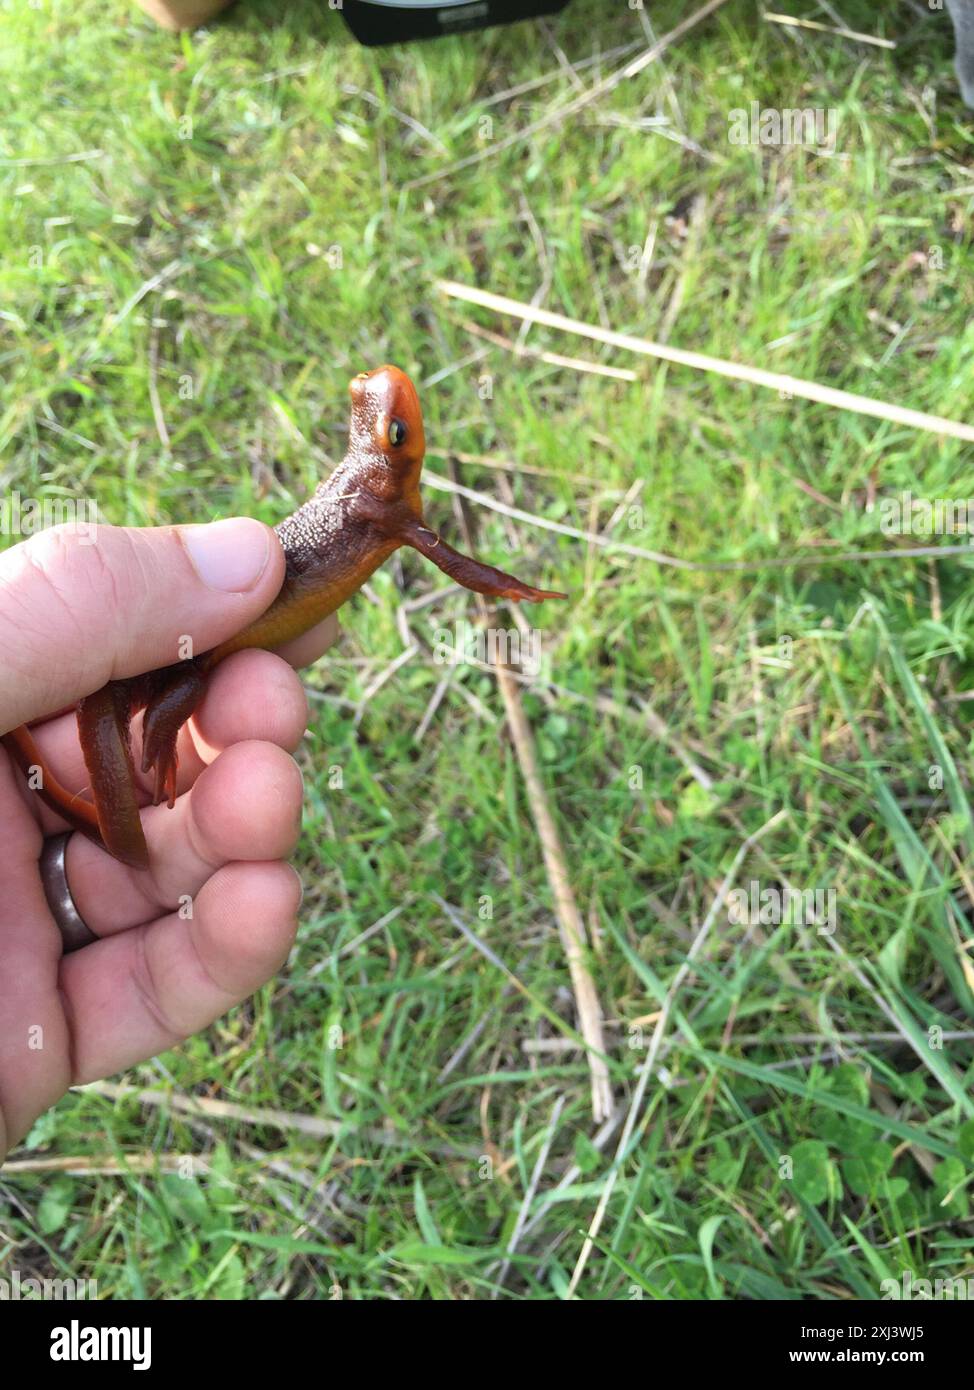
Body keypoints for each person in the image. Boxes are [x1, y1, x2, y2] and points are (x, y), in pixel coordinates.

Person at [0, 518, 338, 1160]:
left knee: (240, 739)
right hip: (167, 672)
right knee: (223, 729)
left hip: (179, 673)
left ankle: (144, 769)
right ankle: (148, 761)